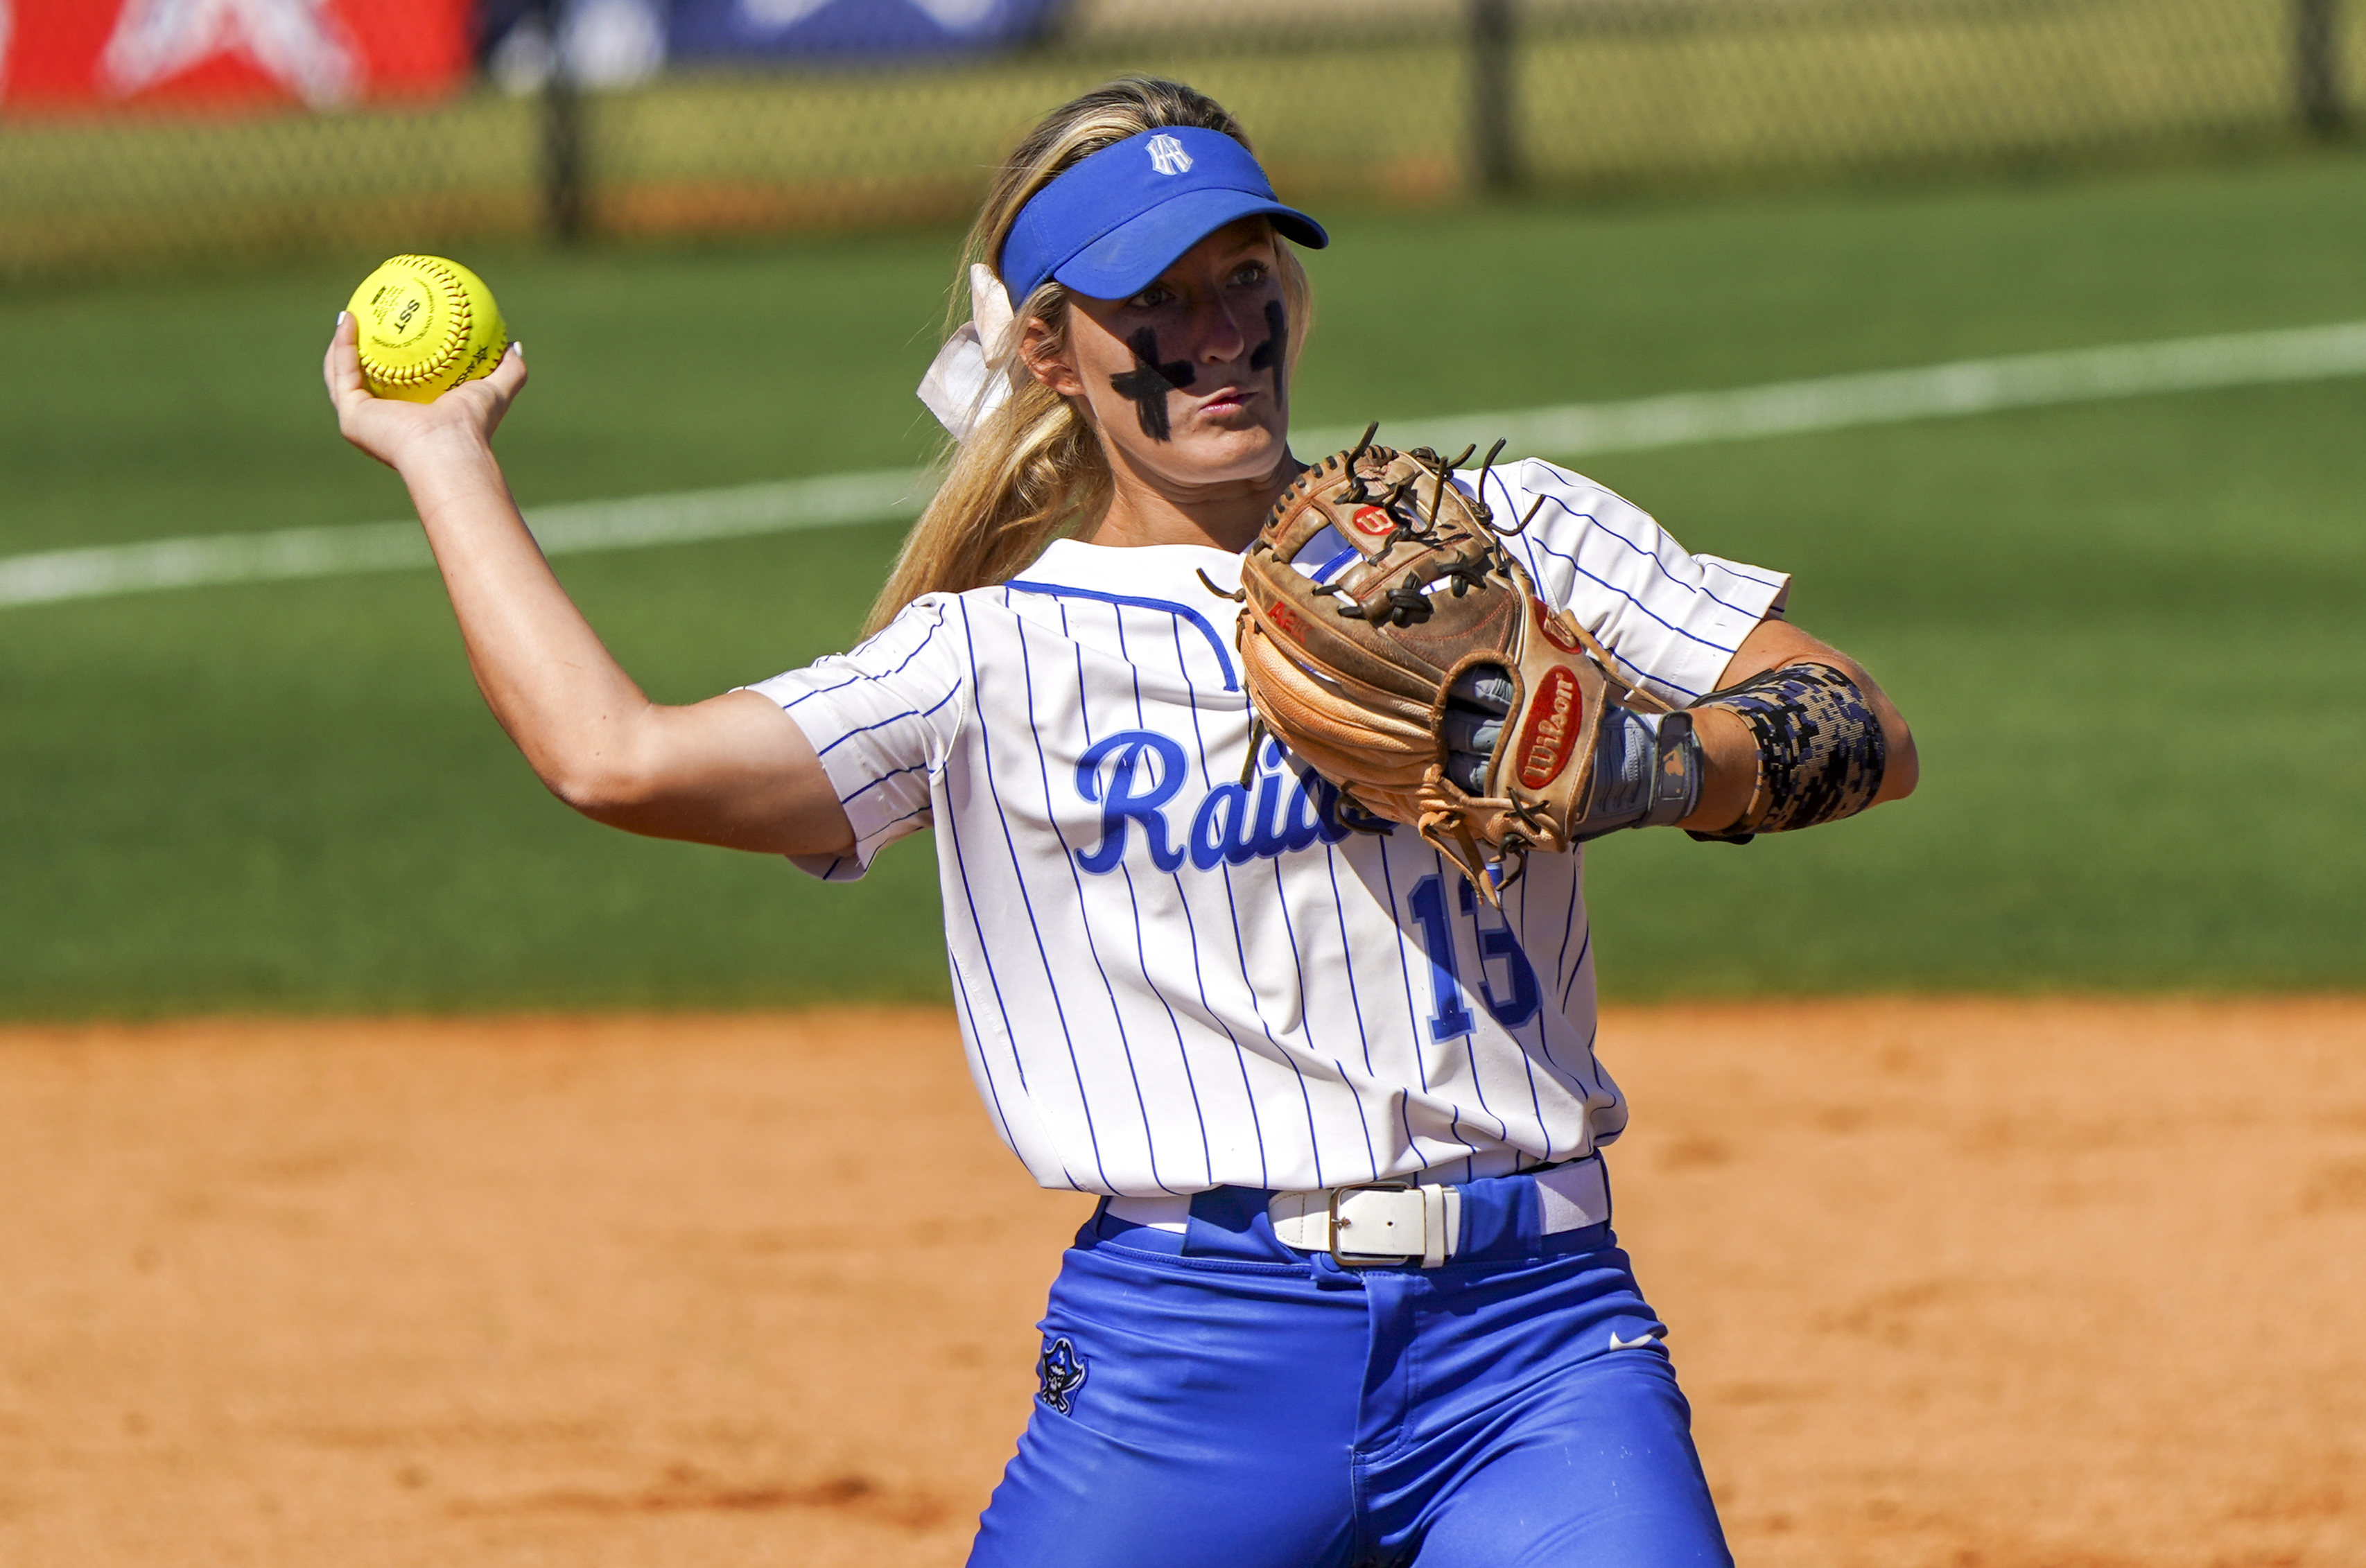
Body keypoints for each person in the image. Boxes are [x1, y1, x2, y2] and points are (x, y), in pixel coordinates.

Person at [324, 75, 1915, 1568]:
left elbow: (1862, 725)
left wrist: (1650, 764)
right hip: (1189, 1362)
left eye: (1244, 281)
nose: (1216, 334)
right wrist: (441, 455)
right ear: (1048, 349)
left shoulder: (1507, 538)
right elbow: (619, 759)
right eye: (1154, 300)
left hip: (1543, 1341)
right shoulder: (985, 654)